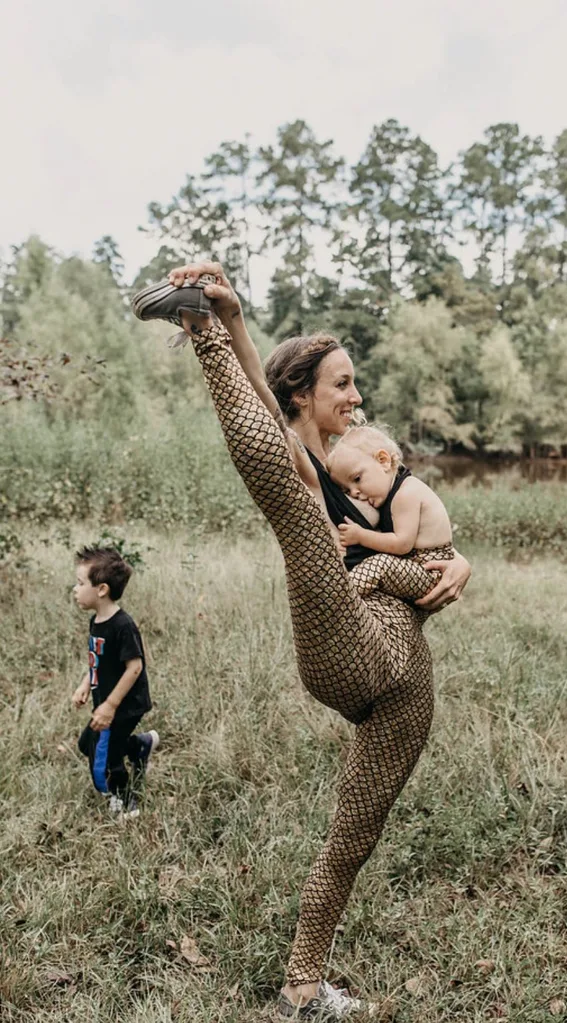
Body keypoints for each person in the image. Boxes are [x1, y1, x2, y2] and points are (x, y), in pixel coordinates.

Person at [132, 263, 471, 1018]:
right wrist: (227, 324)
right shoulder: (308, 466)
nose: (356, 397)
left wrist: (424, 569)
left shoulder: (363, 475)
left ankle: (303, 984)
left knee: (351, 840)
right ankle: (197, 332)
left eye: (355, 384)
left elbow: (431, 557)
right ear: (304, 397)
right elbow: (270, 414)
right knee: (295, 508)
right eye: (343, 384)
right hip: (351, 647)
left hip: (406, 688)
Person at [72, 546, 158, 818]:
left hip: (125, 704)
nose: (75, 589)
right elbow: (97, 660)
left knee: (107, 757)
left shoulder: (122, 625)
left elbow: (134, 667)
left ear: (101, 589)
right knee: (88, 744)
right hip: (105, 701)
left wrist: (109, 706)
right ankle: (140, 746)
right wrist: (86, 684)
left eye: (80, 583)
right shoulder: (96, 621)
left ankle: (125, 802)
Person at [326, 424, 453, 565]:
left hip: (431, 566)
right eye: (346, 490)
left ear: (383, 461)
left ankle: (349, 587)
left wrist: (360, 536)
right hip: (415, 567)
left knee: (377, 564)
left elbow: (402, 544)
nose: (354, 493)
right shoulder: (391, 492)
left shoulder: (406, 494)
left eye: (357, 479)